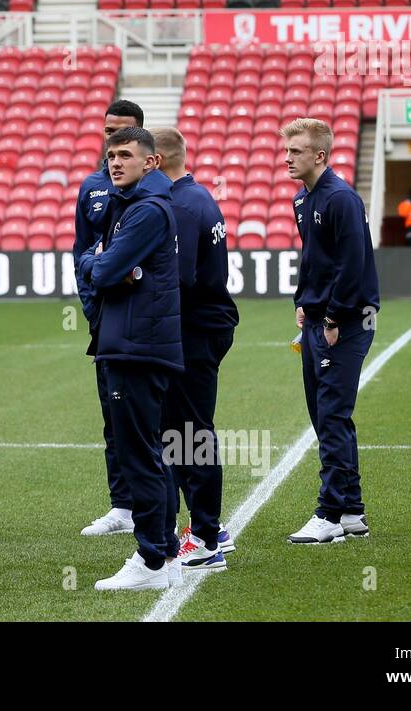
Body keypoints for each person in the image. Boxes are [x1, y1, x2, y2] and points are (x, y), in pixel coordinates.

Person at [78, 127, 183, 591]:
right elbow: (99, 263)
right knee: (149, 453)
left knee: (140, 455)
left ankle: (151, 560)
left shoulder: (145, 211)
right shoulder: (129, 206)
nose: (115, 163)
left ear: (151, 162)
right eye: (111, 155)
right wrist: (101, 263)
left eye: (125, 155)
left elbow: (101, 269)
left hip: (136, 346)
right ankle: (164, 554)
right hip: (133, 342)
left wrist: (100, 264)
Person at [283, 118, 380, 544]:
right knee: (327, 416)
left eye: (297, 151)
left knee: (331, 415)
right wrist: (305, 304)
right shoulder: (303, 200)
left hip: (343, 324)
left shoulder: (340, 198)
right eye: (287, 150)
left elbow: (353, 263)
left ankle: (328, 514)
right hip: (320, 318)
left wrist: (334, 317)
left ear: (320, 155)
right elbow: (318, 261)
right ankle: (352, 511)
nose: (288, 158)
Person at [151, 127, 238, 573]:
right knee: (179, 433)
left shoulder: (182, 205)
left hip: (193, 332)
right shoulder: (198, 196)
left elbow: (177, 278)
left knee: (190, 434)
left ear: (158, 160)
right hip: (203, 327)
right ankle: (207, 528)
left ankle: (206, 536)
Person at [73, 99, 145, 537]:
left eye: (124, 134)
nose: (113, 143)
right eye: (108, 134)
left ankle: (161, 502)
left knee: (153, 417)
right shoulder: (92, 188)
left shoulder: (154, 191)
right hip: (107, 321)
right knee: (113, 415)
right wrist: (92, 308)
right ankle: (121, 506)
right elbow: (81, 253)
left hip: (146, 322)